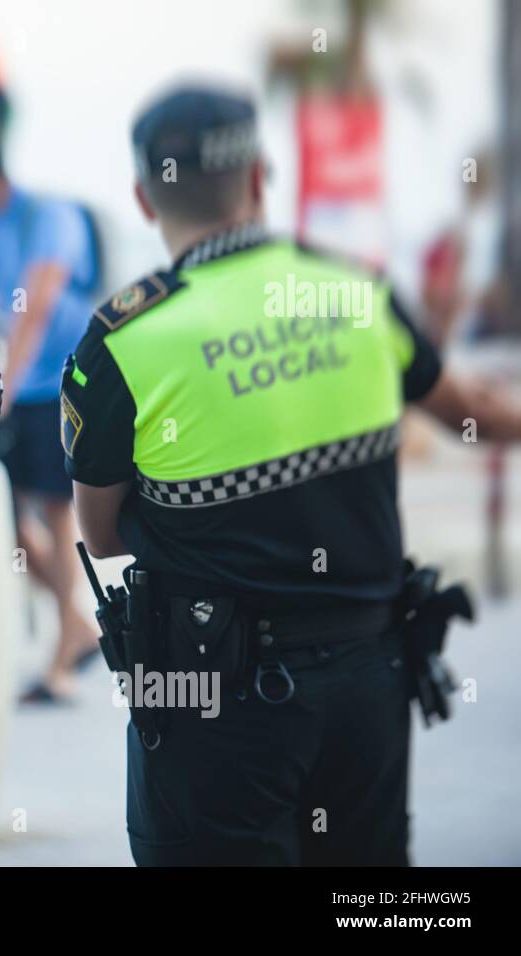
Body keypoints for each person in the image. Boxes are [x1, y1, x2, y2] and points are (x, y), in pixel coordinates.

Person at [63, 84, 521, 866]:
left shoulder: (123, 339)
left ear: (144, 197)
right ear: (260, 176)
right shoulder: (357, 293)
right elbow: (474, 412)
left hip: (208, 698)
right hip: (368, 683)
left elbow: (100, 539)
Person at [0, 132, 99, 704]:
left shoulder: (48, 216)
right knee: (8, 518)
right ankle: (77, 626)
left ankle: (66, 647)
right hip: (19, 383)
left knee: (58, 513)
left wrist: (3, 391)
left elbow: (36, 307)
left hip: (62, 376)